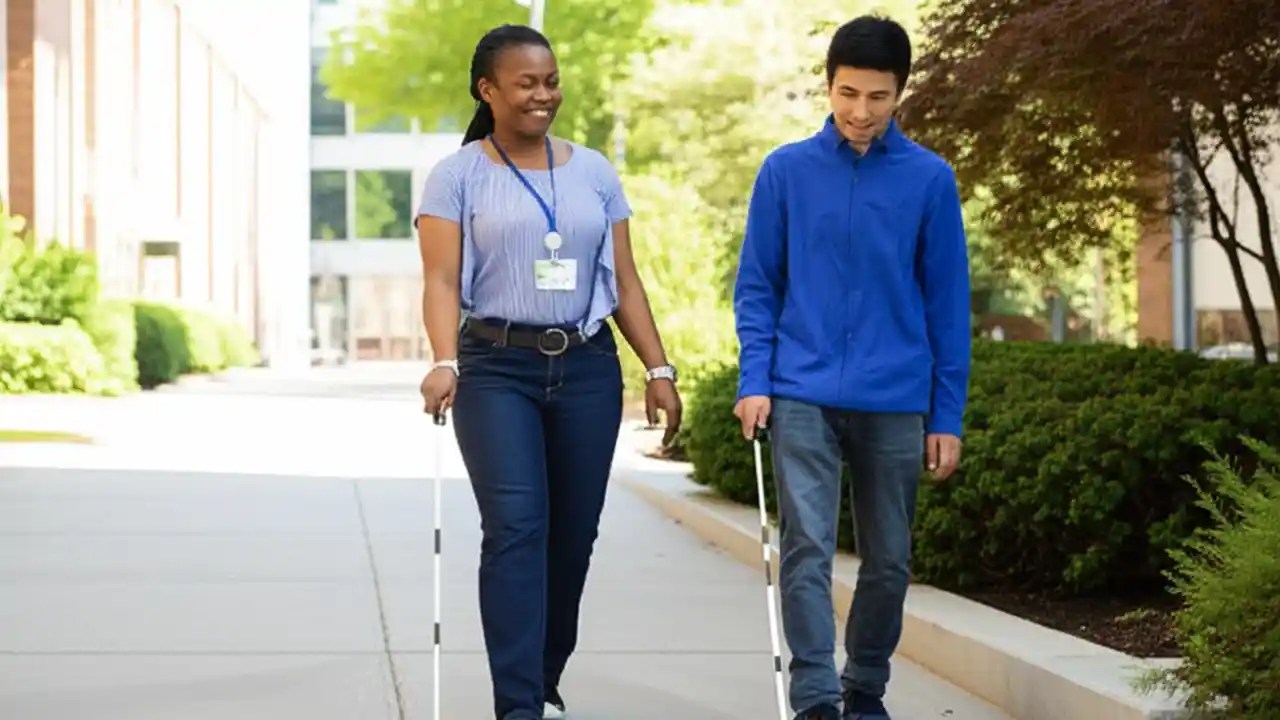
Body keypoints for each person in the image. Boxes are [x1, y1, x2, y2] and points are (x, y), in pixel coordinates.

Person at [415, 24, 682, 720]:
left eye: (551, 80)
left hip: (588, 367)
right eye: (527, 82)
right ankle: (518, 705)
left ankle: (542, 675)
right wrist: (443, 360)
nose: (544, 94)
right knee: (516, 528)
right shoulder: (458, 175)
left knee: (574, 536)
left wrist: (658, 367)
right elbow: (441, 280)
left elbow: (623, 279)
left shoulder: (593, 170)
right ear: (489, 90)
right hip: (495, 367)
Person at [731, 15, 971, 720]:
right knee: (806, 546)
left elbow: (946, 306)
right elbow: (758, 288)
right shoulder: (785, 172)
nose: (860, 112)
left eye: (878, 97)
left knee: (890, 559)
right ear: (828, 85)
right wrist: (755, 379)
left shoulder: (929, 180)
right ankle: (814, 696)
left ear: (901, 93)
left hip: (895, 397)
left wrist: (946, 414)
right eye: (847, 93)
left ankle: (864, 685)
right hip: (800, 392)